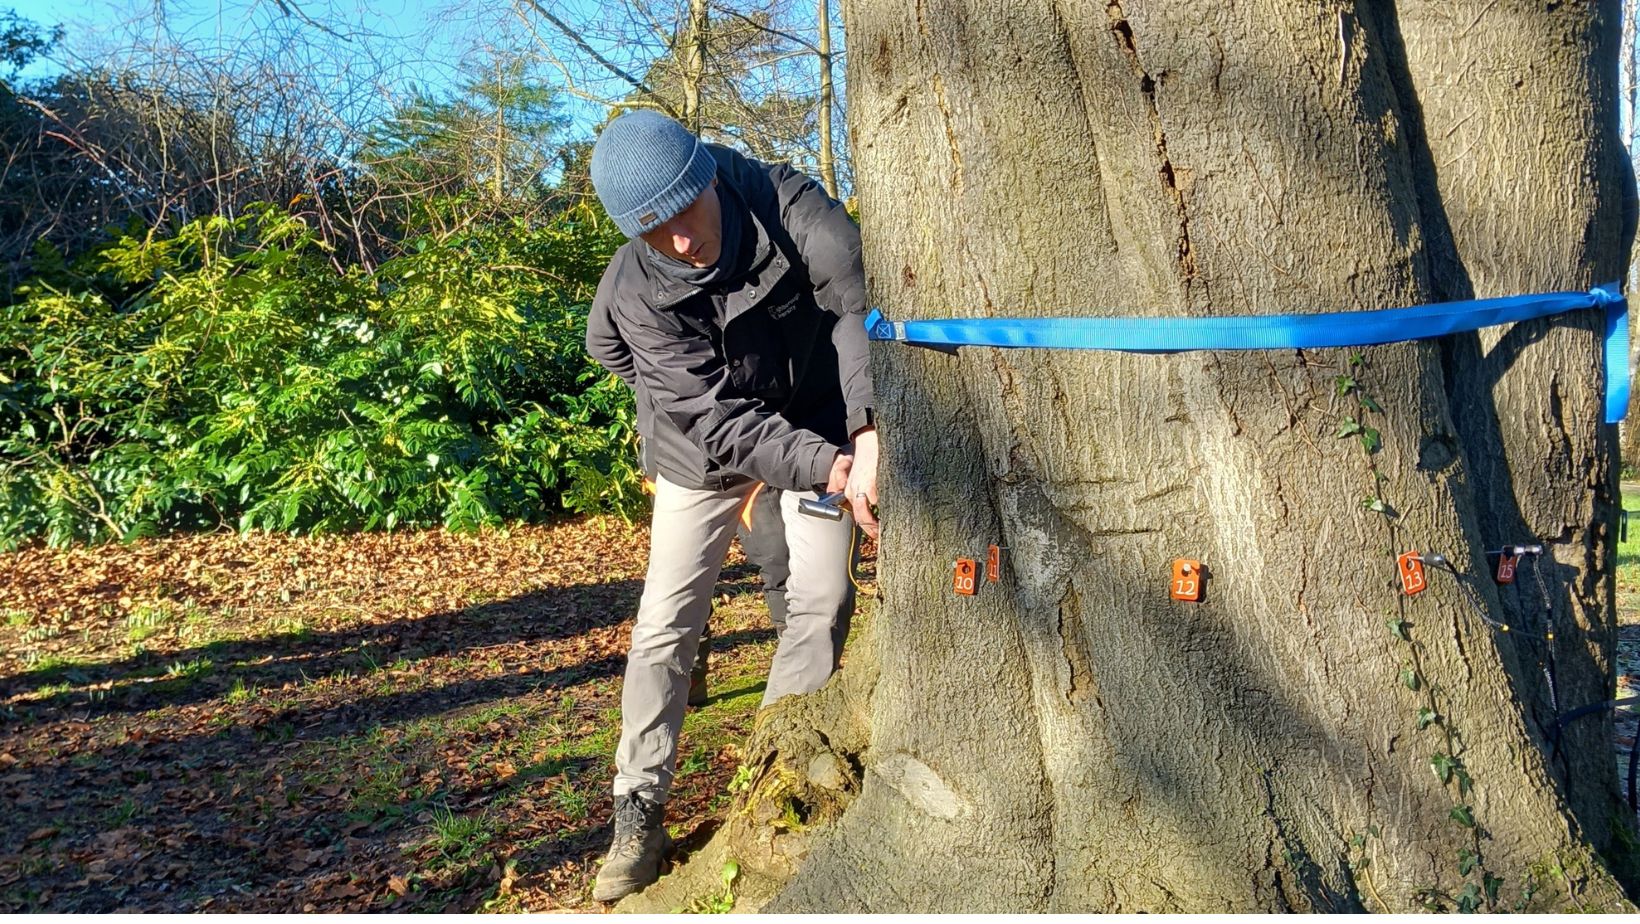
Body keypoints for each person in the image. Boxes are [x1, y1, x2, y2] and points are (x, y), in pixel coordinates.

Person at [582, 109, 877, 902]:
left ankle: (776, 778)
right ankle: (637, 810)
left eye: (686, 210)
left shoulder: (786, 205)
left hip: (820, 426)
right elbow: (673, 392)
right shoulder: (635, 288)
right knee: (665, 624)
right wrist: (828, 467)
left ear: (708, 175)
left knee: (820, 598)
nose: (680, 239)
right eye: (653, 230)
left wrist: (865, 430)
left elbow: (856, 302)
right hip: (701, 451)